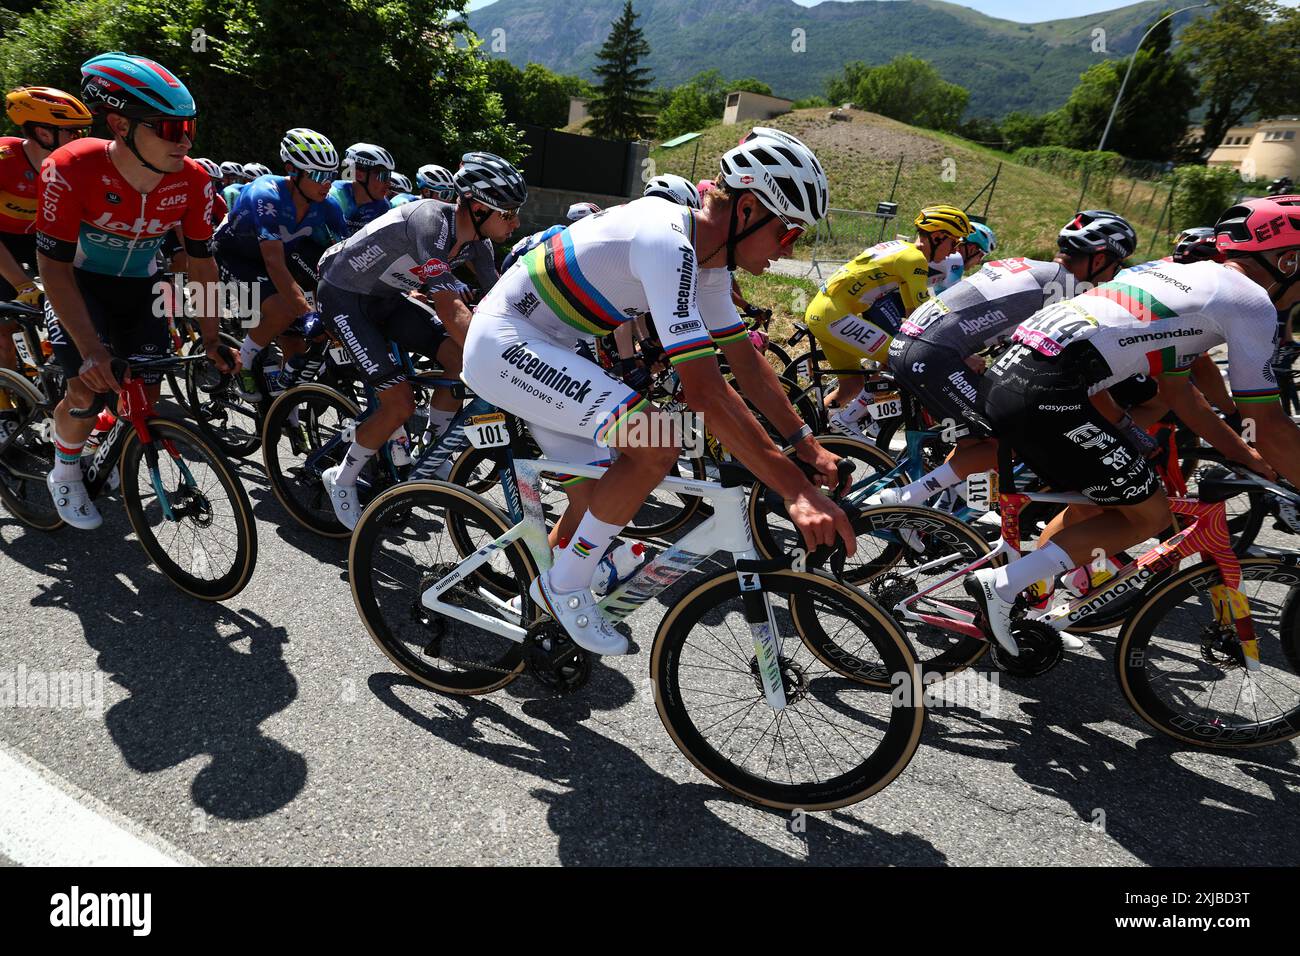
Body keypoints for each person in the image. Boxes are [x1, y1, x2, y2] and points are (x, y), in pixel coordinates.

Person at [460, 127, 852, 655]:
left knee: (595, 499)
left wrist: (804, 444)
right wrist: (795, 489)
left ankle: (543, 609)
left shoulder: (707, 263)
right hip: (506, 343)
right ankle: (564, 588)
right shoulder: (667, 240)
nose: (787, 252)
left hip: (551, 347)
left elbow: (746, 362)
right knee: (658, 440)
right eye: (788, 234)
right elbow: (705, 392)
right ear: (747, 211)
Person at [966, 196, 1300, 654]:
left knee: (1096, 502)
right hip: (1050, 394)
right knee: (1150, 514)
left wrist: (1246, 455)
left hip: (1014, 379)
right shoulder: (1252, 303)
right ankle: (1003, 586)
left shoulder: (1179, 276)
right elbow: (1269, 420)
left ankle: (1032, 606)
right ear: (1288, 260)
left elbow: (1181, 395)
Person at [37, 52, 232, 529]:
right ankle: (63, 469)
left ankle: (109, 446)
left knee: (145, 387)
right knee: (86, 383)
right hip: (81, 285)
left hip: (142, 288)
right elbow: (54, 268)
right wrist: (90, 349)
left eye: (188, 127)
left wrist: (211, 337)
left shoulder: (195, 180)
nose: (183, 139)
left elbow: (203, 266)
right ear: (121, 125)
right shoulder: (72, 165)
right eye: (167, 129)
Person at [317, 151, 526, 528]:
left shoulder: (479, 245)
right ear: (478, 208)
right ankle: (343, 478)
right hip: (343, 296)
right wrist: (504, 358)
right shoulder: (431, 221)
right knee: (399, 403)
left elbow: (500, 303)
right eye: (508, 213)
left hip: (385, 299)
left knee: (459, 361)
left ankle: (436, 444)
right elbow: (451, 309)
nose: (516, 222)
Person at [885, 210, 1138, 505]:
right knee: (1005, 438)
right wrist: (1124, 424)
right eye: (1116, 266)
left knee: (974, 441)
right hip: (932, 354)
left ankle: (940, 507)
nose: (1114, 275)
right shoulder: (1068, 288)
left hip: (914, 345)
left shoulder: (1035, 267)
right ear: (1099, 260)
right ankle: (905, 498)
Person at [804, 203, 972, 438]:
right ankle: (846, 419)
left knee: (852, 385)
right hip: (836, 315)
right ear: (937, 237)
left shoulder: (902, 251)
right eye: (953, 242)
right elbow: (926, 311)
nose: (954, 251)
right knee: (897, 358)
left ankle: (817, 429)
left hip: (823, 312)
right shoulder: (915, 260)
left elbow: (913, 312)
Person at [212, 127, 347, 398]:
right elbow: (274, 263)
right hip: (235, 256)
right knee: (287, 309)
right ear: (292, 171)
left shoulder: (327, 205)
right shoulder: (267, 195)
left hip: (273, 258)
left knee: (297, 340)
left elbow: (347, 253)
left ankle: (287, 409)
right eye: (319, 175)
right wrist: (308, 312)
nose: (326, 184)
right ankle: (246, 361)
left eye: (331, 175)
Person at [1, 86, 92, 381]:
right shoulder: (5, 158)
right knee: (5, 329)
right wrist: (22, 284)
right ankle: (4, 407)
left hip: (34, 236)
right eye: (71, 132)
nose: (79, 139)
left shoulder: (73, 165)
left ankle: (50, 356)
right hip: (3, 241)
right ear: (42, 132)